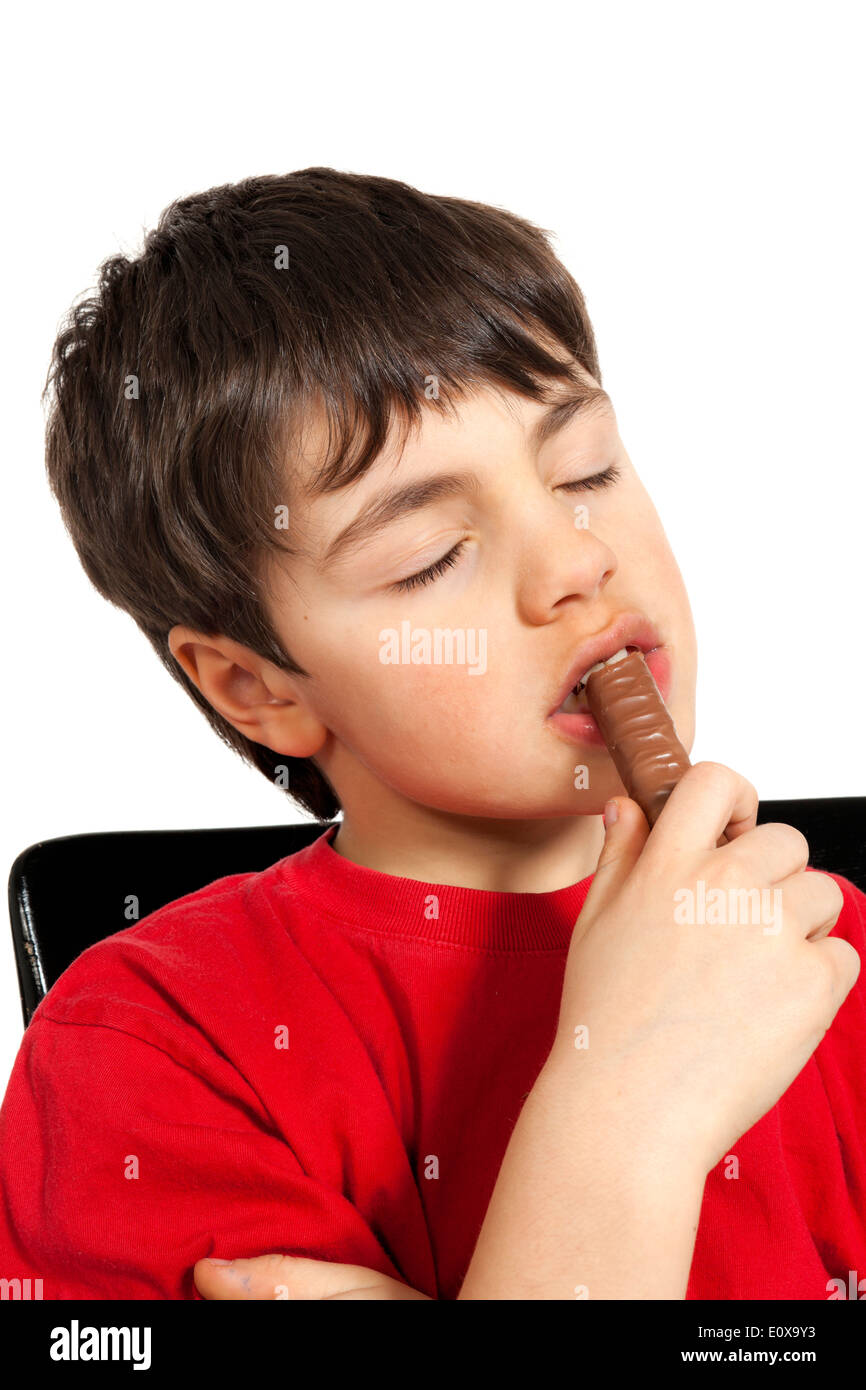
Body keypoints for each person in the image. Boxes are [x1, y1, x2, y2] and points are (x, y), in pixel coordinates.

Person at [0, 169, 861, 1300]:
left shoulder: (826, 955)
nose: (572, 563)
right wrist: (629, 1111)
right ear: (256, 687)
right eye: (429, 556)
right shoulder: (149, 1051)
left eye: (584, 469)